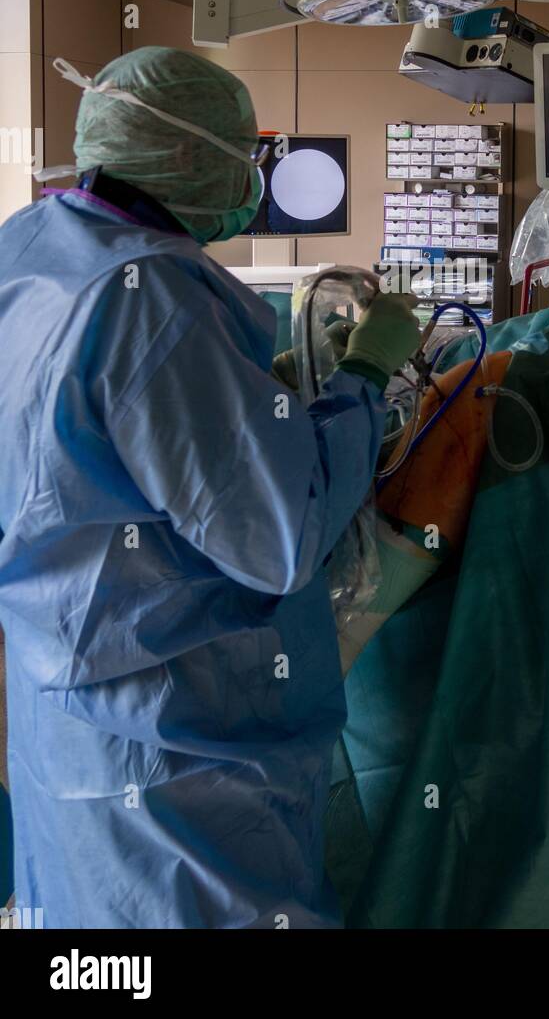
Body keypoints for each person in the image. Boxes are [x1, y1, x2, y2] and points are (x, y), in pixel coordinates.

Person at [0, 46, 420, 929]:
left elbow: (89, 438)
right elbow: (277, 534)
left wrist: (251, 399)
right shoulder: (150, 293)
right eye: (240, 154)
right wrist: (361, 383)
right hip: (173, 743)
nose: (249, 177)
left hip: (64, 710)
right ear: (189, 159)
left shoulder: (30, 248)